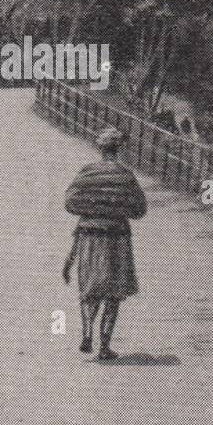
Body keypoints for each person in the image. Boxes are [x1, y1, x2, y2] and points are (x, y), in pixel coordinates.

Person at [62, 126, 147, 361]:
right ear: (118, 149)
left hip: (89, 235)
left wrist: (93, 209)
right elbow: (140, 209)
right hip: (117, 237)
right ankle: (104, 346)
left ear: (100, 148)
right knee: (113, 291)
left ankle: (87, 332)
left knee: (89, 287)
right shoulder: (125, 174)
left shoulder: (87, 171)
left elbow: (69, 202)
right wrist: (117, 209)